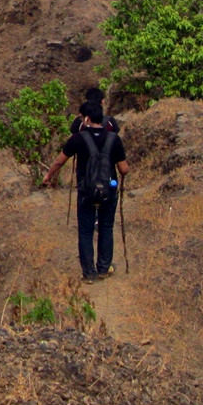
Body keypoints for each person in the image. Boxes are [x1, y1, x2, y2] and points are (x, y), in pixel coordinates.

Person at [44, 99, 128, 283]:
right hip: (108, 192)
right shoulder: (114, 139)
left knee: (85, 231)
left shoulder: (77, 139)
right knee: (106, 227)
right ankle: (104, 269)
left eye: (82, 117)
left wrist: (48, 176)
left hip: (86, 192)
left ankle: (89, 274)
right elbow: (124, 169)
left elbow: (60, 161)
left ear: (87, 118)